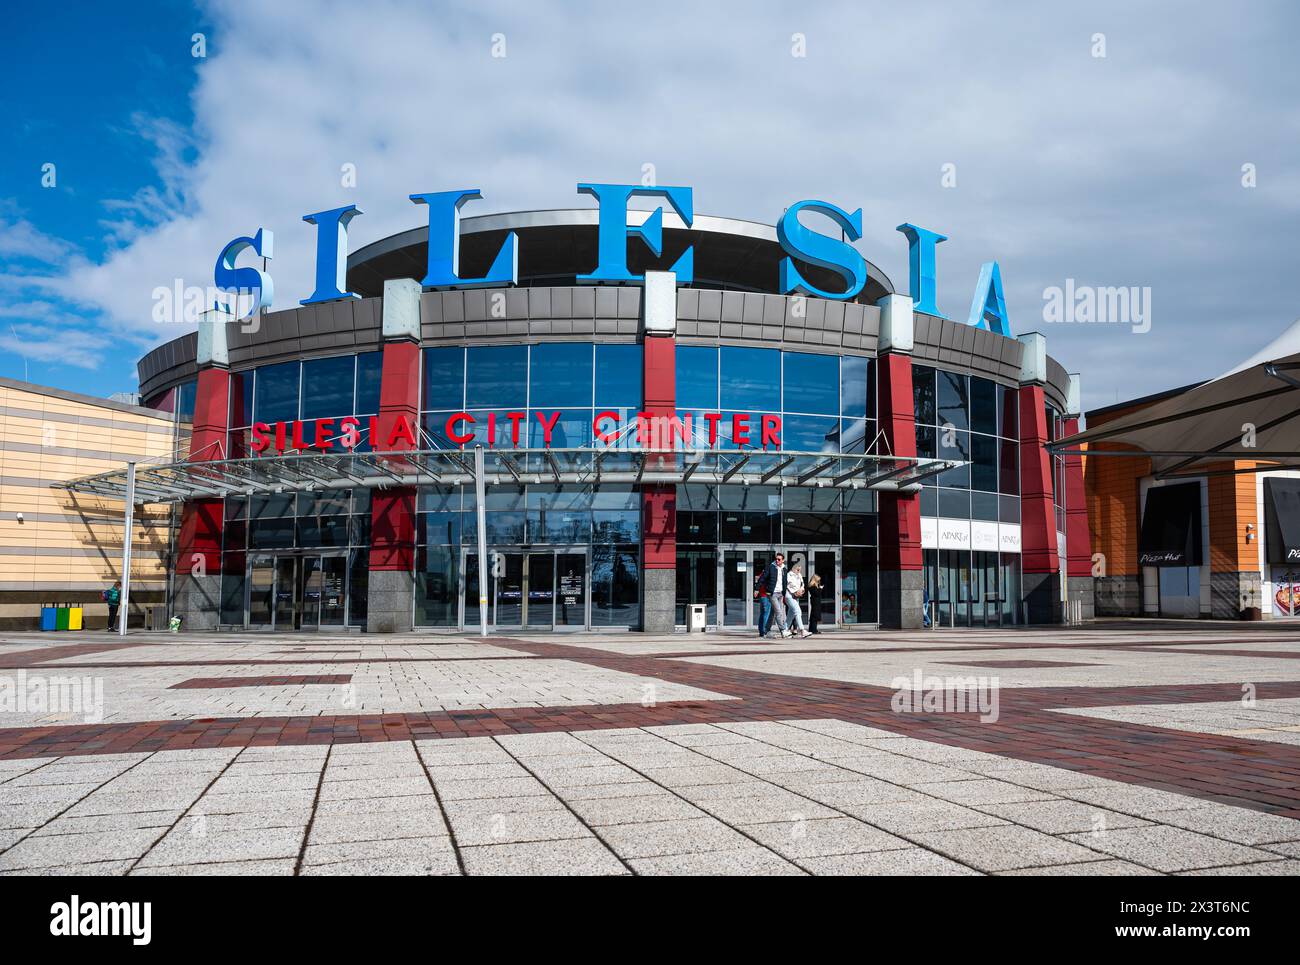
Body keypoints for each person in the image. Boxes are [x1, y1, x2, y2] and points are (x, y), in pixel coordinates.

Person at [760, 553, 791, 638]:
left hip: (780, 593)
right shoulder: (771, 567)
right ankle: (783, 630)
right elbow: (763, 577)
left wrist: (785, 592)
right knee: (779, 612)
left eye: (779, 559)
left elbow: (785, 581)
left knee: (773, 613)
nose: (777, 560)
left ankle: (767, 631)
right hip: (772, 593)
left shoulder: (784, 569)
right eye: (776, 559)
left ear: (783, 560)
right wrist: (756, 588)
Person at [785, 562, 810, 638]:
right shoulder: (788, 575)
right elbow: (789, 584)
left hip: (796, 597)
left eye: (800, 569)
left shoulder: (799, 575)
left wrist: (801, 590)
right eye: (798, 569)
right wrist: (796, 591)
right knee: (798, 611)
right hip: (789, 596)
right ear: (793, 568)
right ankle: (802, 630)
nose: (799, 571)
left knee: (791, 614)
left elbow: (802, 584)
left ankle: (784, 631)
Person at [753, 569, 772, 637]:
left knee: (763, 614)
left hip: (762, 596)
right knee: (766, 614)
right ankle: (764, 631)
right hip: (766, 596)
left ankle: (761, 631)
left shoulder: (762, 575)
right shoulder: (766, 575)